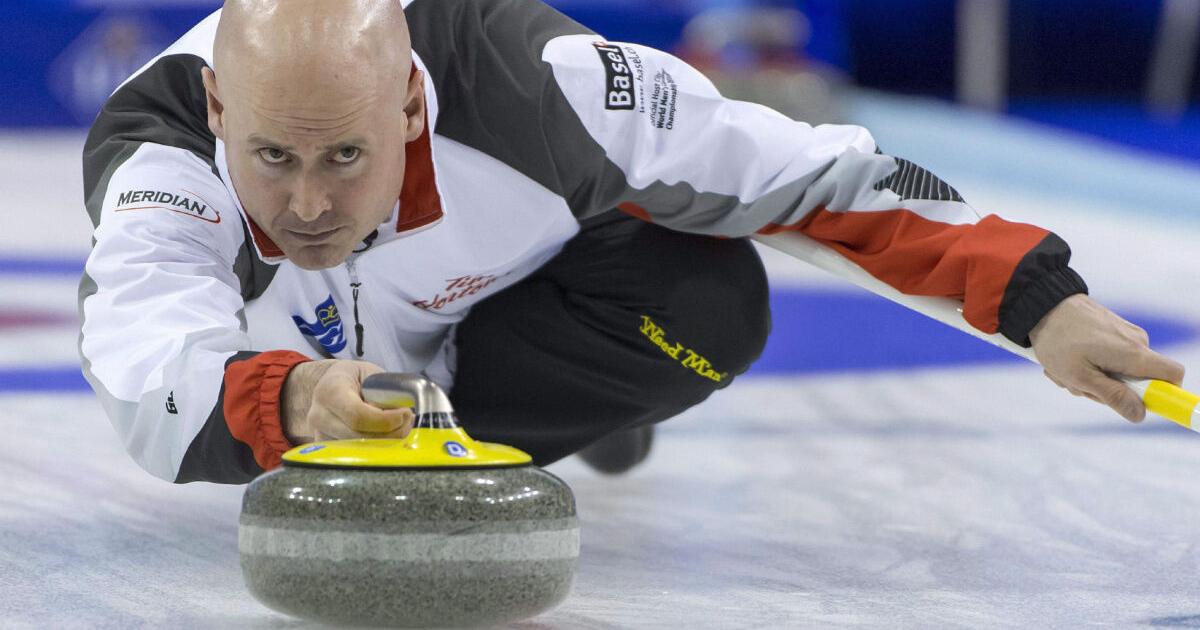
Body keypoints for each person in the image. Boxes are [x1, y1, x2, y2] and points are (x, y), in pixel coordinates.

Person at [79, 0, 1184, 485]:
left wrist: (1040, 301)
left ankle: (542, 424)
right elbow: (147, 358)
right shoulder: (159, 152)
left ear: (410, 107)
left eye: (345, 157)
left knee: (711, 297)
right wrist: (292, 399)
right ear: (217, 110)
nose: (309, 204)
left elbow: (816, 178)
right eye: (273, 156)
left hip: (511, 320)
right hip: (299, 375)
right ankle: (390, 416)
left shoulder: (544, 87)